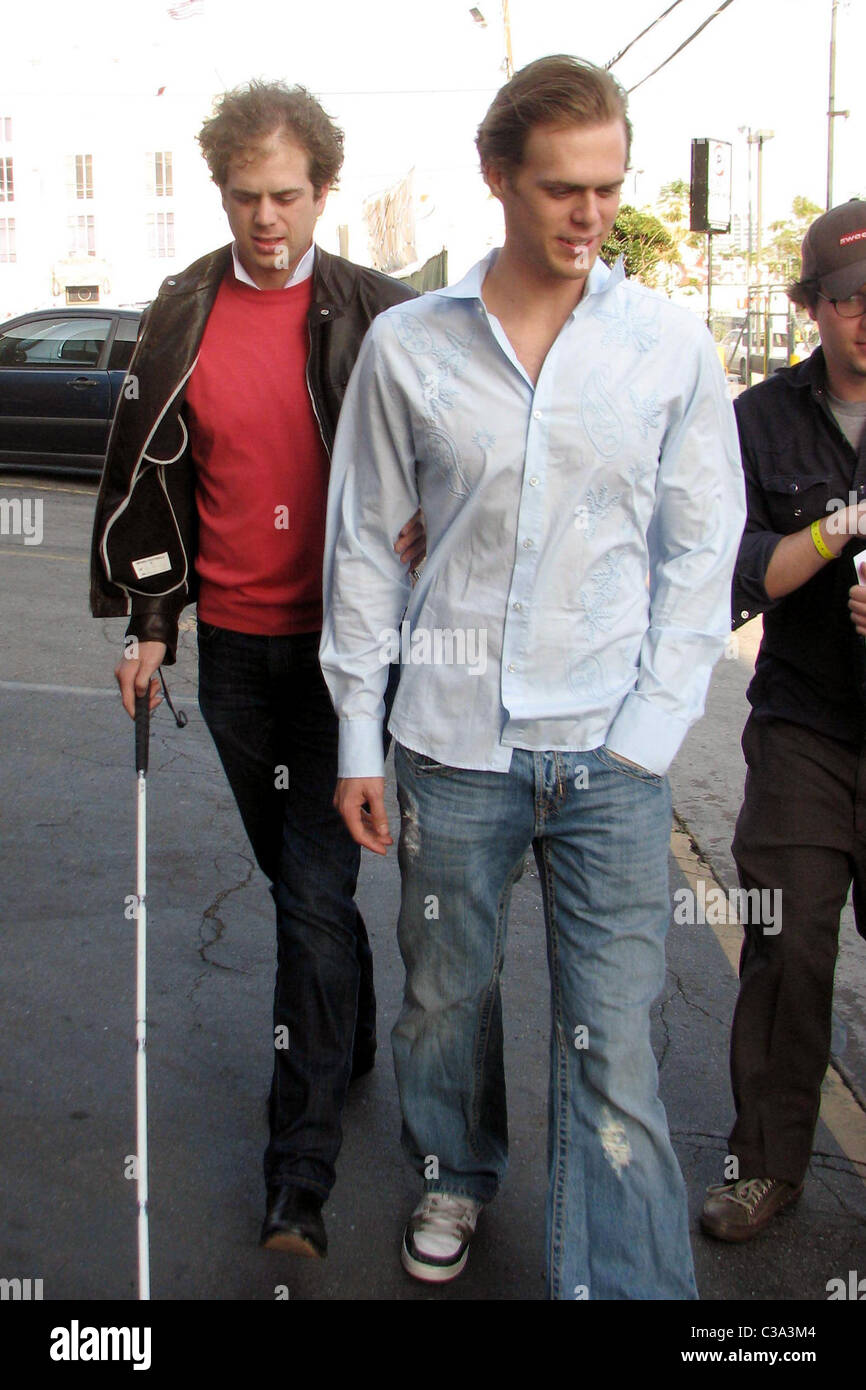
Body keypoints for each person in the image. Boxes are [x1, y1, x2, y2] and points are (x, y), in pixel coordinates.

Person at [320, 54, 745, 1299]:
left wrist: (651, 730)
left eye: (608, 189)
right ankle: (454, 1172)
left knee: (612, 1038)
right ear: (496, 176)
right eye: (561, 187)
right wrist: (357, 733)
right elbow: (362, 547)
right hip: (449, 748)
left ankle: (621, 1289)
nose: (588, 215)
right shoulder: (408, 349)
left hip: (610, 753)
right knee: (443, 999)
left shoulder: (665, 347)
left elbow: (695, 547)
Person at [90, 79, 421, 1260]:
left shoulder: (378, 311)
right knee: (302, 891)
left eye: (287, 195)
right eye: (246, 196)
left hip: (345, 658)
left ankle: (298, 1177)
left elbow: (437, 464)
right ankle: (349, 1025)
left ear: (322, 191)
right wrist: (149, 621)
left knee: (309, 899)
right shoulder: (183, 310)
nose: (266, 218)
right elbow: (151, 474)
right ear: (221, 191)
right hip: (231, 649)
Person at [702, 199, 866, 1242]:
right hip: (803, 725)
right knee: (786, 943)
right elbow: (738, 566)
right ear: (811, 305)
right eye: (847, 299)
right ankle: (762, 1165)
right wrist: (830, 538)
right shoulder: (757, 420)